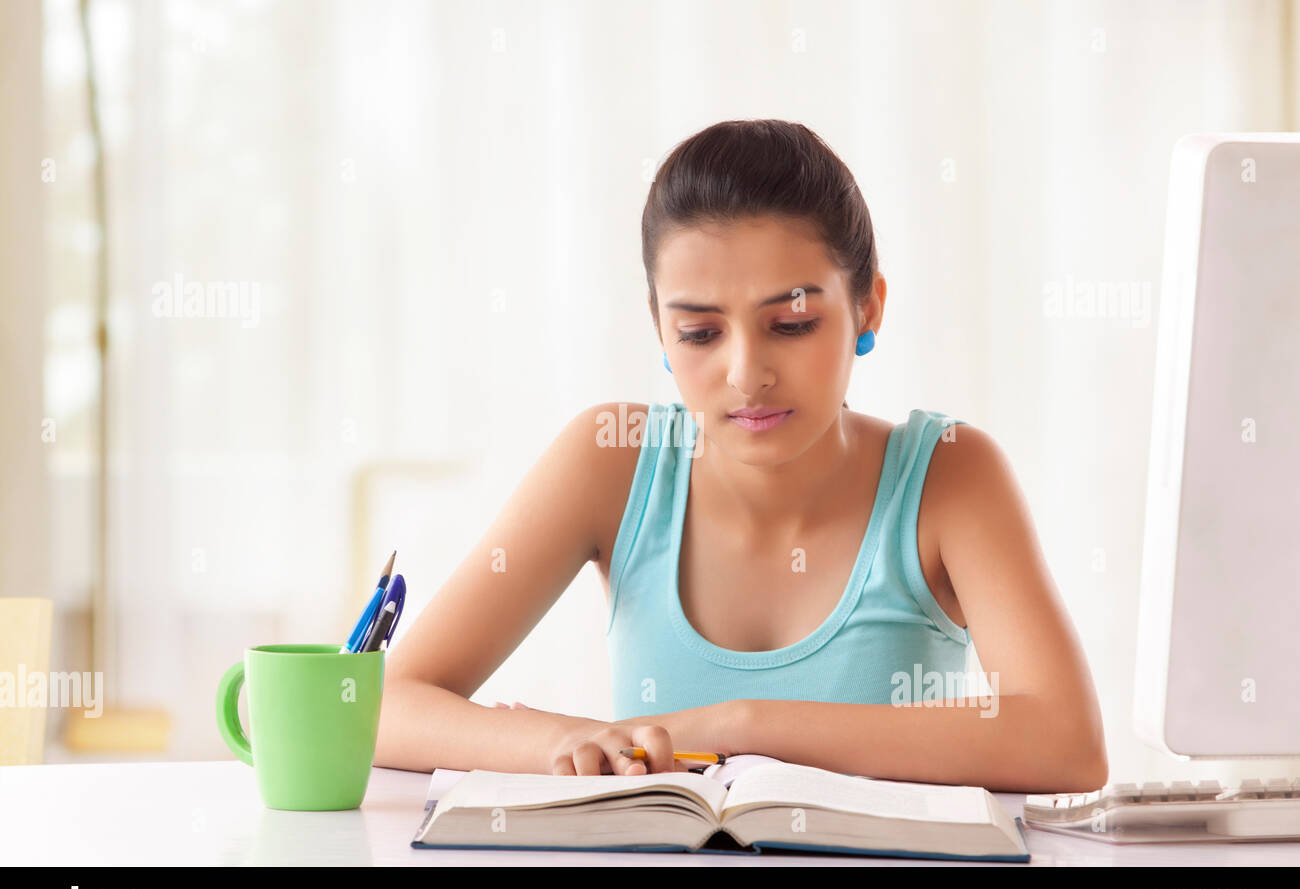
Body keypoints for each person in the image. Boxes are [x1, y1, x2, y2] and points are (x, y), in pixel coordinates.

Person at [376, 119, 1107, 794]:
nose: (745, 374)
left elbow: (1065, 744)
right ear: (660, 331)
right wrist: (566, 744)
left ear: (868, 308)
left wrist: (740, 727)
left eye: (791, 324)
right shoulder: (614, 460)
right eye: (699, 333)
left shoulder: (950, 473)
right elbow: (383, 708)